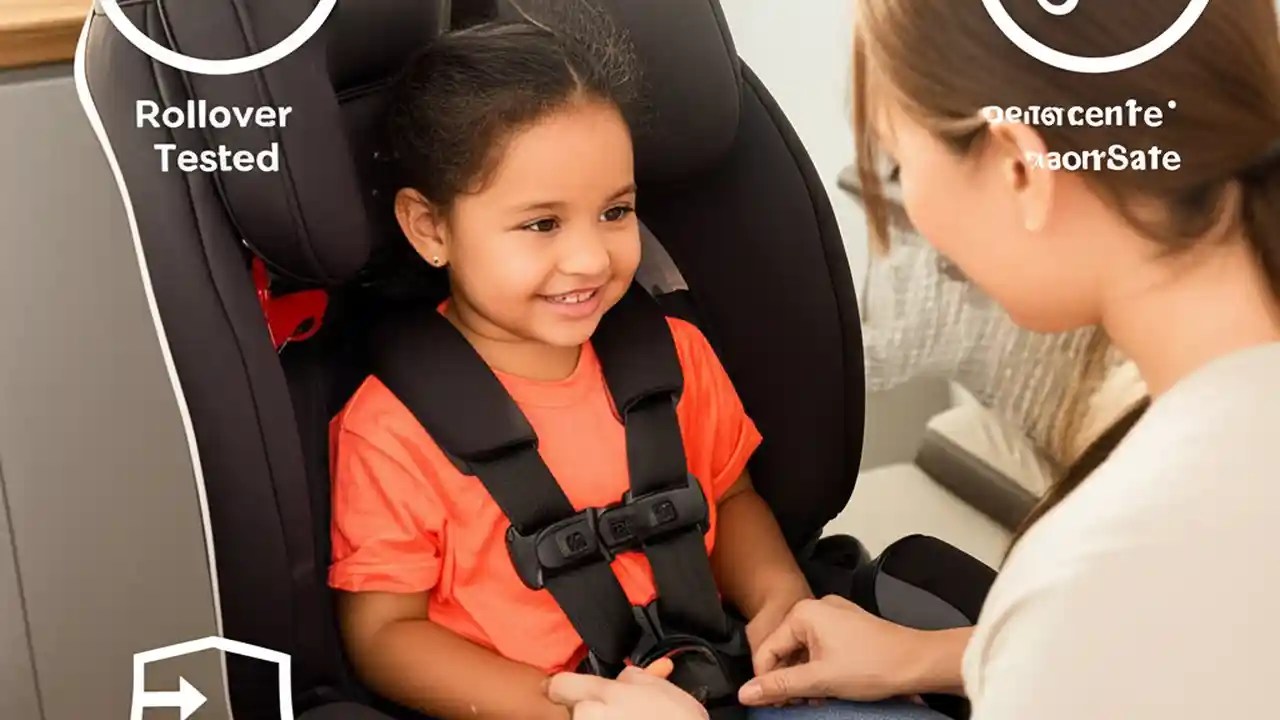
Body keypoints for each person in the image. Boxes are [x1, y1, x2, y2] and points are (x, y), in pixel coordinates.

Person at [547, 0, 1280, 718]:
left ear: (1020, 171)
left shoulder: (1107, 569)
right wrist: (950, 655)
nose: (909, 213)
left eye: (896, 161)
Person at [325, 14, 823, 720]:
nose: (592, 258)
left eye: (615, 211)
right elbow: (384, 634)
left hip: (721, 681)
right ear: (431, 228)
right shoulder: (390, 430)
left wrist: (779, 598)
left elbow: (730, 498)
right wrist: (570, 710)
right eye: (542, 224)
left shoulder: (673, 357)